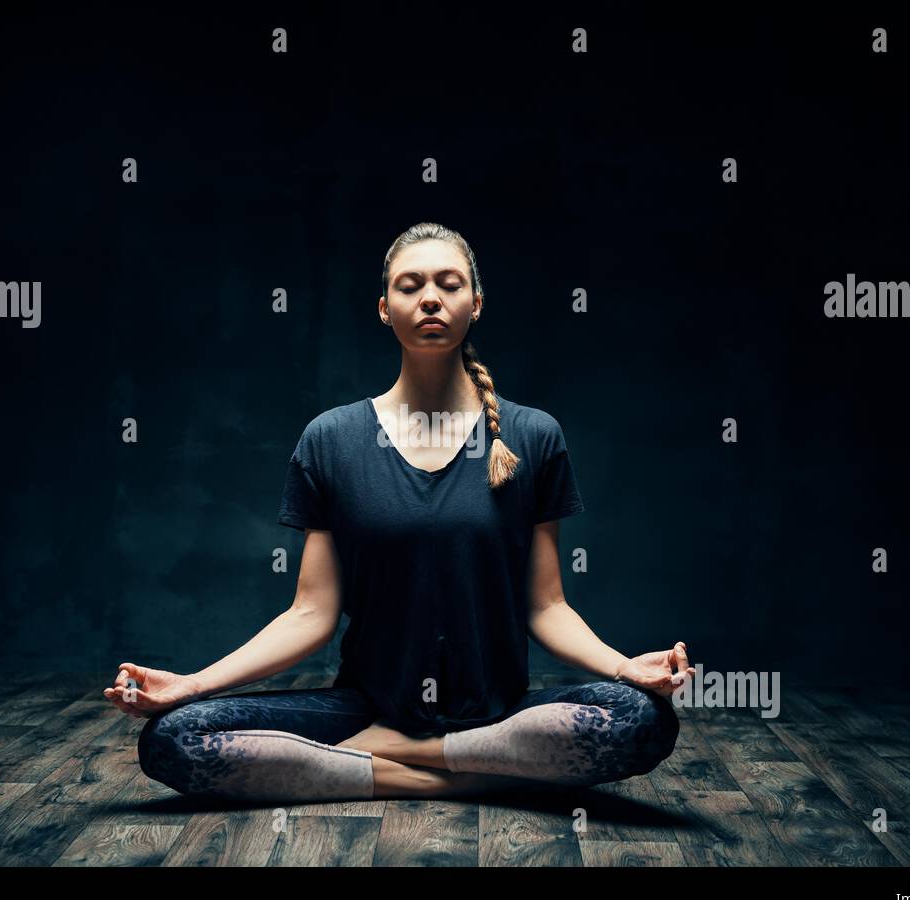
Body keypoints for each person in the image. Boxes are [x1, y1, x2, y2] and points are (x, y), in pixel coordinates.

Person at [104, 222, 694, 803]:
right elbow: (310, 613)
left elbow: (546, 606)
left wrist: (625, 668)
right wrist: (191, 685)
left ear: (476, 303)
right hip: (368, 707)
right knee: (174, 737)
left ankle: (397, 754)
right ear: (385, 308)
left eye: (449, 283)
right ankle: (477, 775)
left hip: (499, 712)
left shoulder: (534, 436)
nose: (430, 297)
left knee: (641, 717)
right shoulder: (331, 439)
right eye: (410, 286)